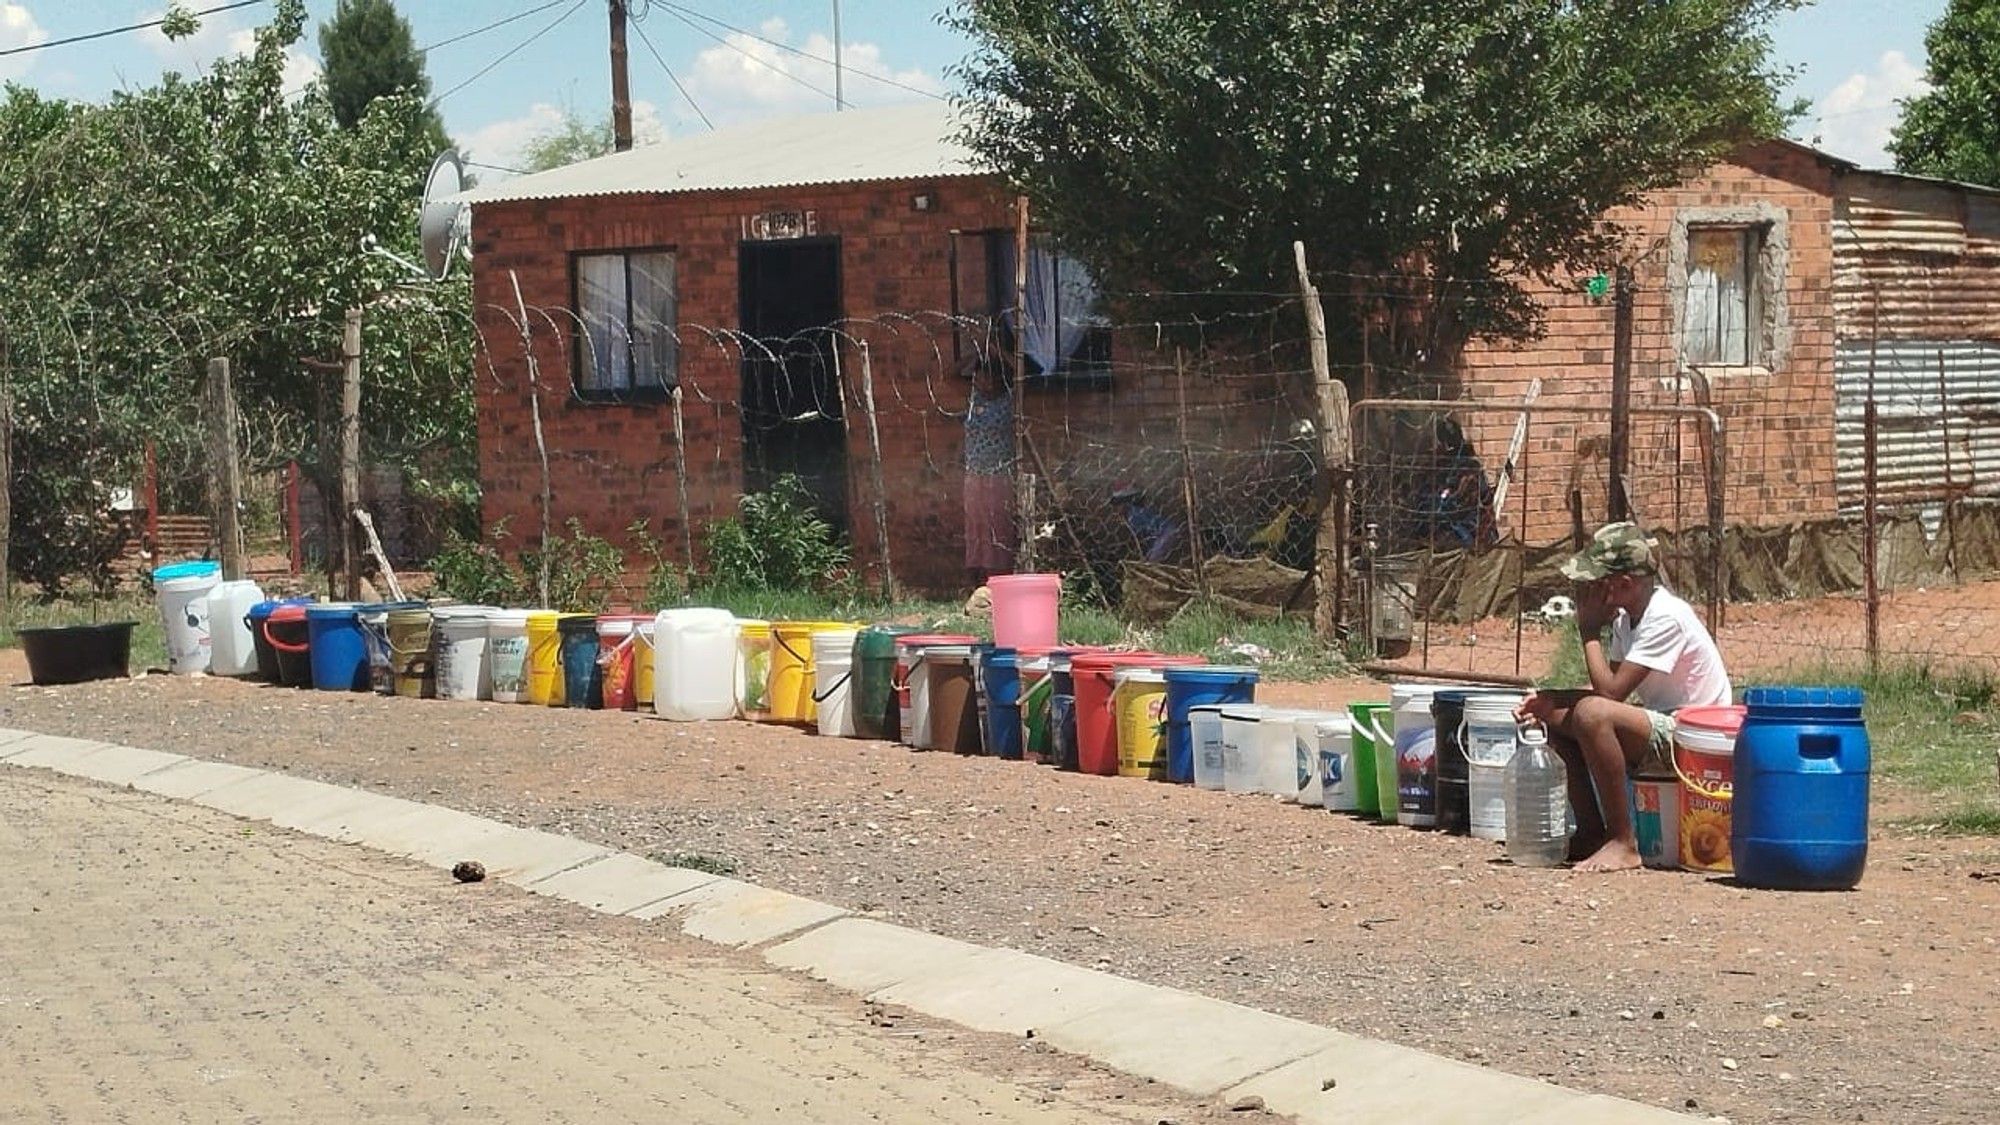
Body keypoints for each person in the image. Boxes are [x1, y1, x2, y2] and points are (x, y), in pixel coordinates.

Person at [1517, 522, 1731, 873]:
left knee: (1591, 715)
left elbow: (1609, 695)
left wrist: (1587, 630)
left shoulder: (1666, 616)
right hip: (1663, 723)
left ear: (1624, 585)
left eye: (1594, 582)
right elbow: (1611, 690)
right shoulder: (1626, 621)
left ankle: (1623, 842)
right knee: (1557, 715)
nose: (1584, 590)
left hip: (1695, 739)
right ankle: (1591, 833)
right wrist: (1549, 700)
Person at [962, 352, 1017, 587]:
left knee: (998, 523)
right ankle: (978, 576)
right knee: (976, 524)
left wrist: (1000, 351)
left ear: (997, 379)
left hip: (999, 473)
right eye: (978, 379)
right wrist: (979, 346)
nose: (981, 383)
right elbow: (952, 372)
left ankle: (1000, 576)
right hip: (974, 472)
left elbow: (1024, 373)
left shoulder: (1009, 401)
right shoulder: (975, 400)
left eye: (986, 378)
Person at [1110, 484, 1185, 563]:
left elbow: (1149, 534)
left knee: (1150, 562)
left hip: (1166, 533)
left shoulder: (1134, 515)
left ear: (1125, 503)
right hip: (1164, 533)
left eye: (1118, 505)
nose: (1116, 509)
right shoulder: (1135, 512)